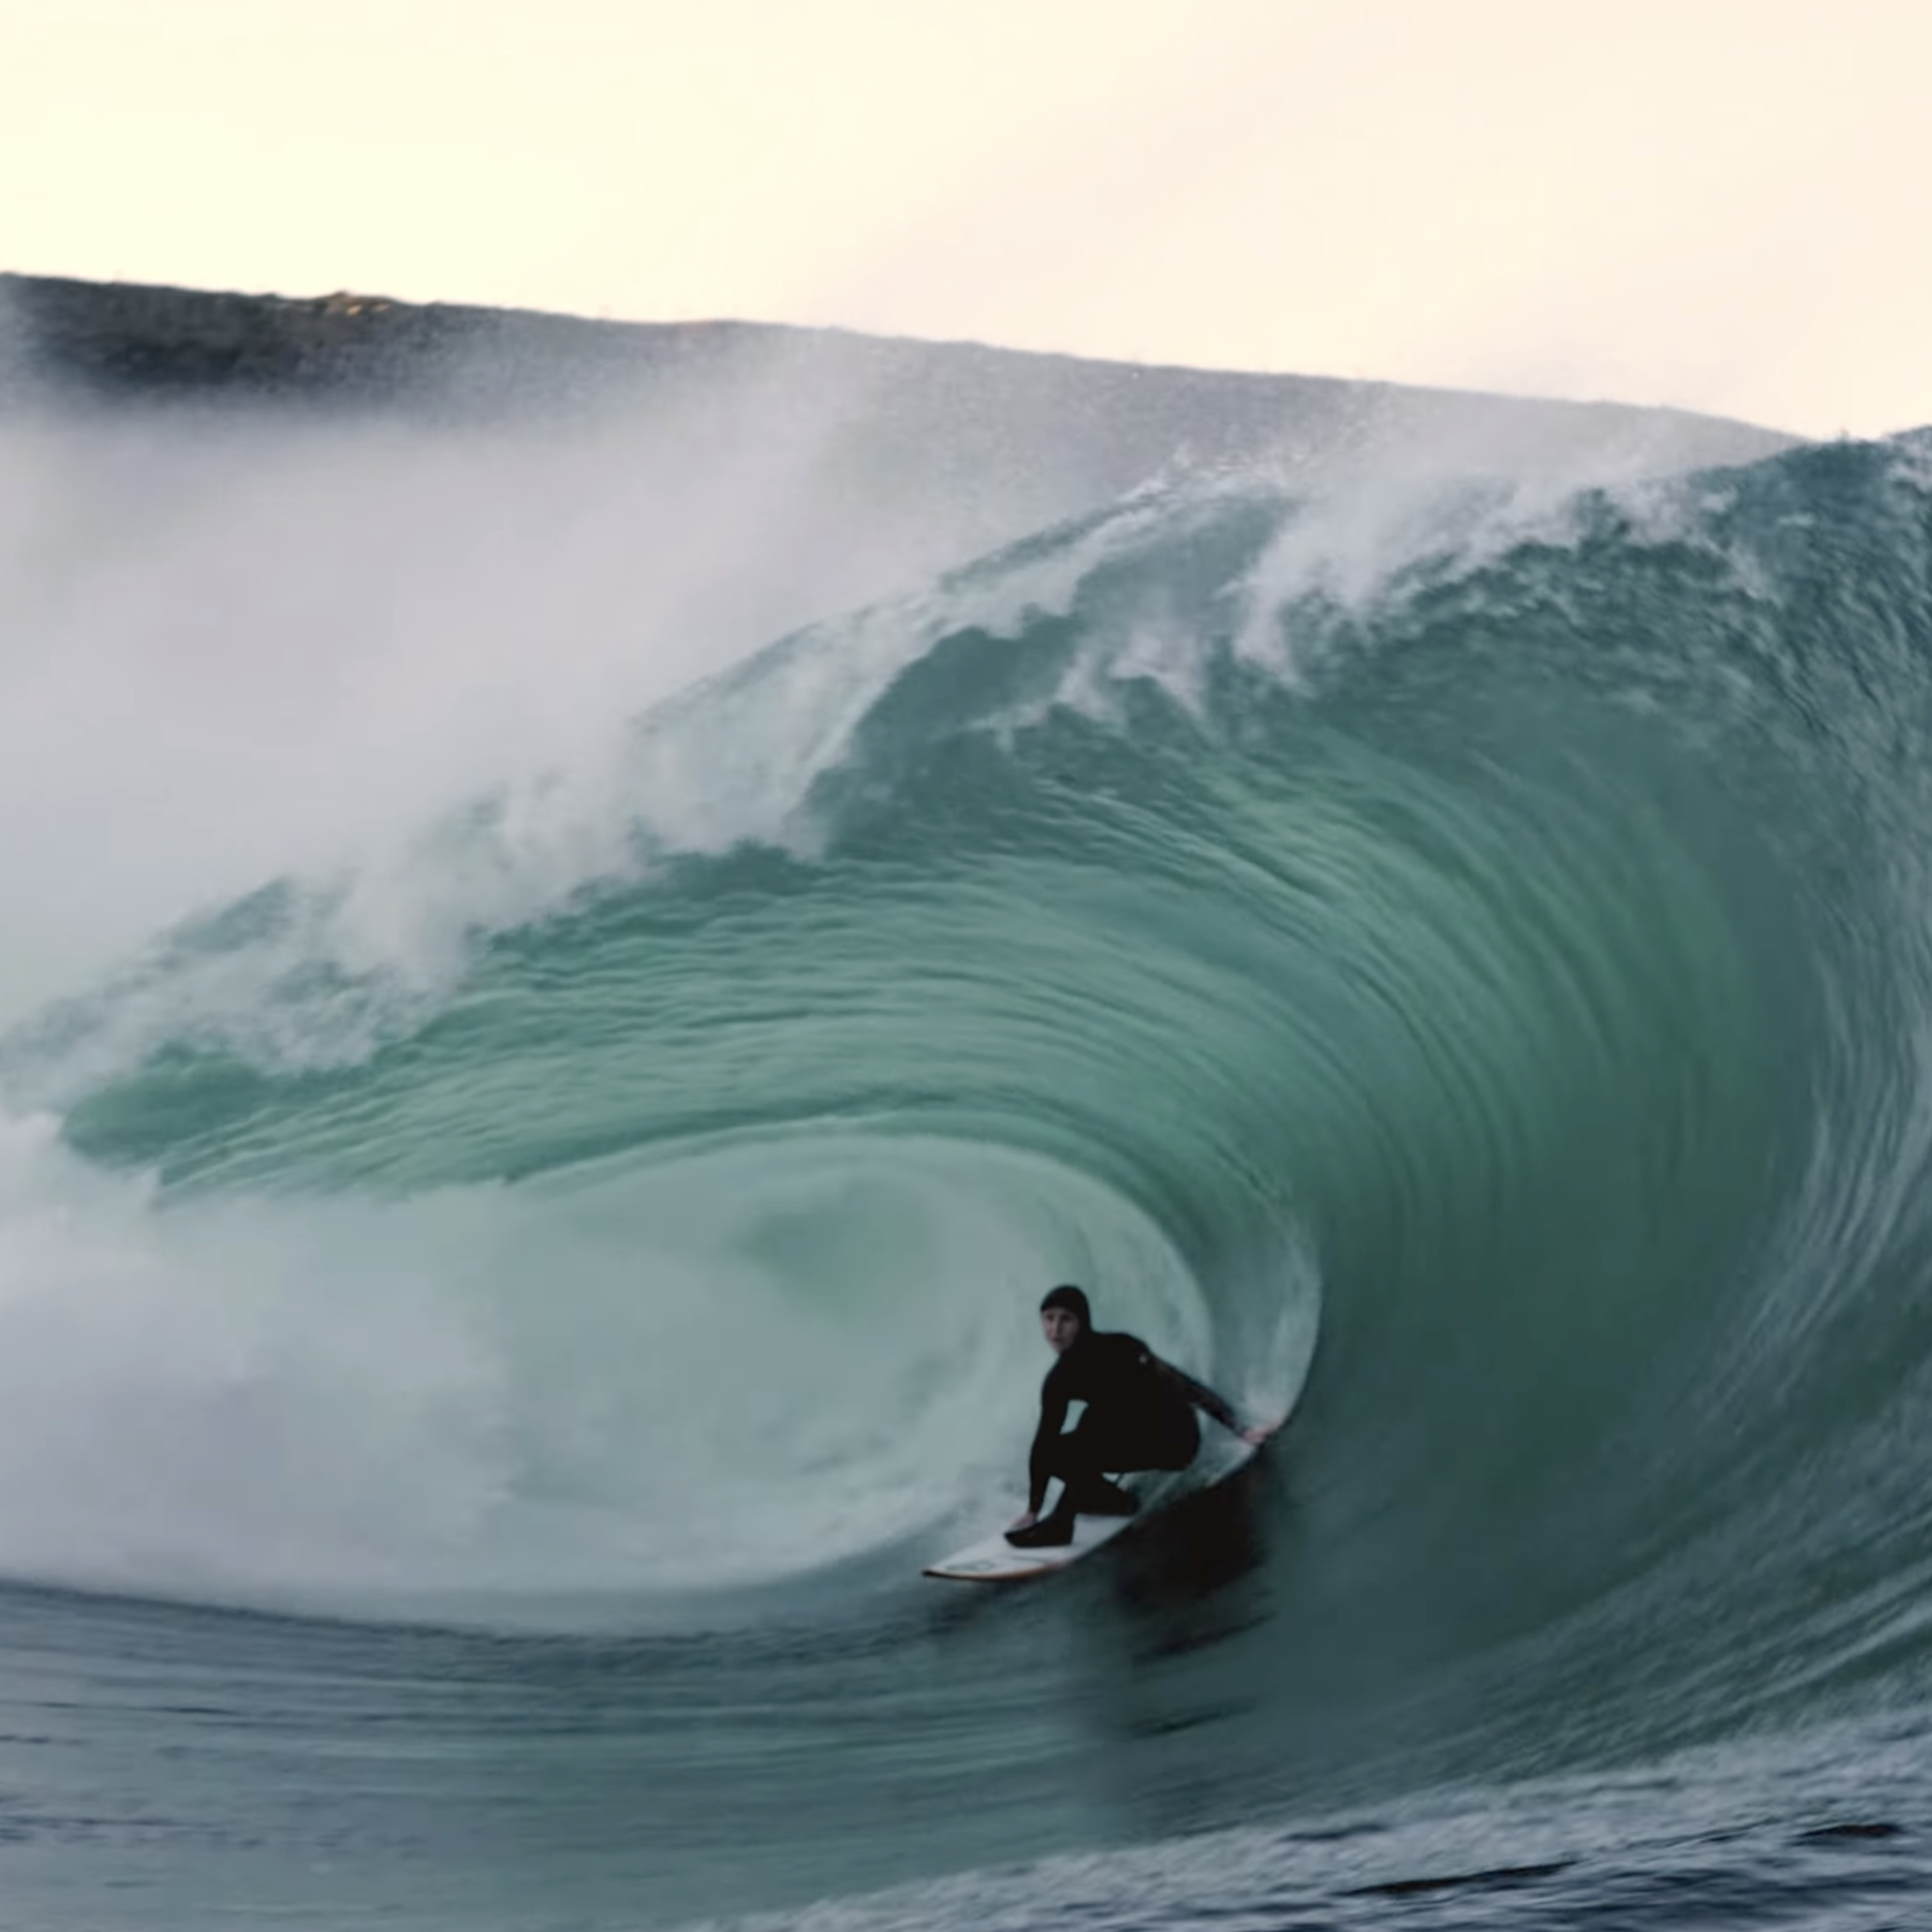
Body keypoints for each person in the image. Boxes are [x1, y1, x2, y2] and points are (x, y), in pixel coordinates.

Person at [1006, 1284, 1273, 1549]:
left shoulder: (1122, 1349)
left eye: (1066, 1319)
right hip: (1128, 1439)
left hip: (1175, 1438)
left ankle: (1062, 1525)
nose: (1056, 1330)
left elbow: (1184, 1385)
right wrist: (1033, 1510)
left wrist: (1240, 1429)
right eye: (1049, 1319)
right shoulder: (1059, 1381)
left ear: (1082, 1322)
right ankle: (1117, 1503)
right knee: (1055, 1449)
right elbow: (1045, 1441)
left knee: (1091, 1423)